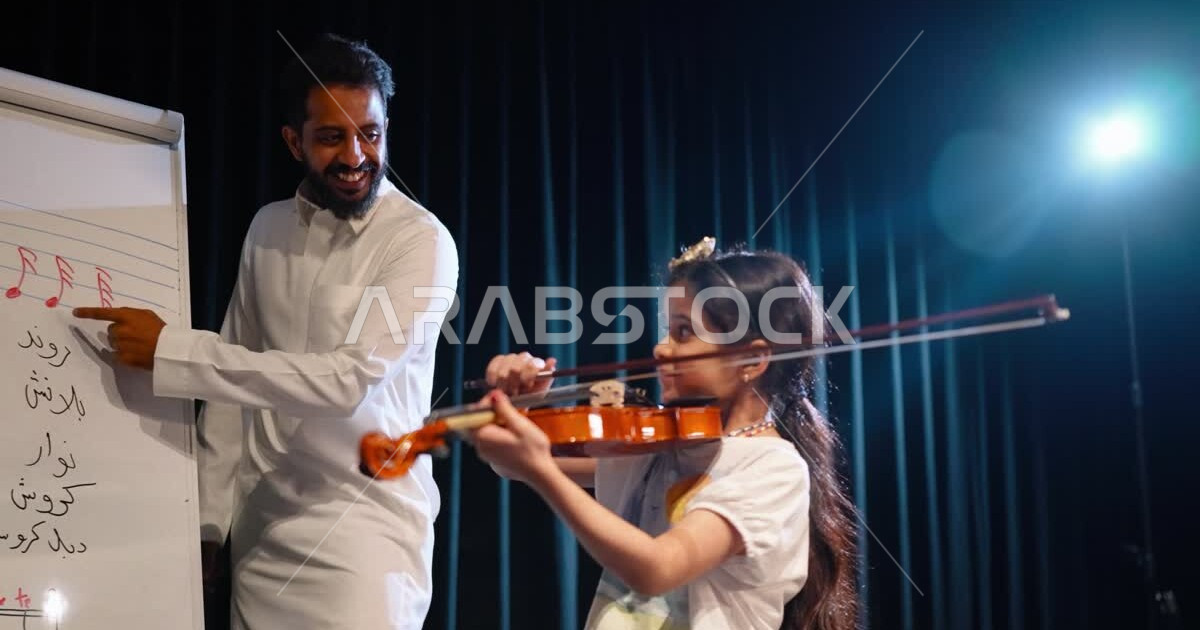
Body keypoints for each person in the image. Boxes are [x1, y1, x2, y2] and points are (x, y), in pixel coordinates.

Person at [74, 33, 457, 629]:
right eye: (332, 136)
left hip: (365, 538)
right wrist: (207, 523)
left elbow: (347, 382)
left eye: (371, 133)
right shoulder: (267, 227)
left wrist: (173, 350)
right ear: (292, 140)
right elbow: (235, 384)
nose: (356, 155)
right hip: (260, 539)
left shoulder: (420, 239)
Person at [476, 244, 857, 629]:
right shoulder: (660, 446)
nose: (661, 348)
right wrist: (518, 406)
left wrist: (541, 470)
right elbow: (512, 465)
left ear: (752, 361)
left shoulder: (771, 467)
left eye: (683, 333)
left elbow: (660, 567)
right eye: (667, 331)